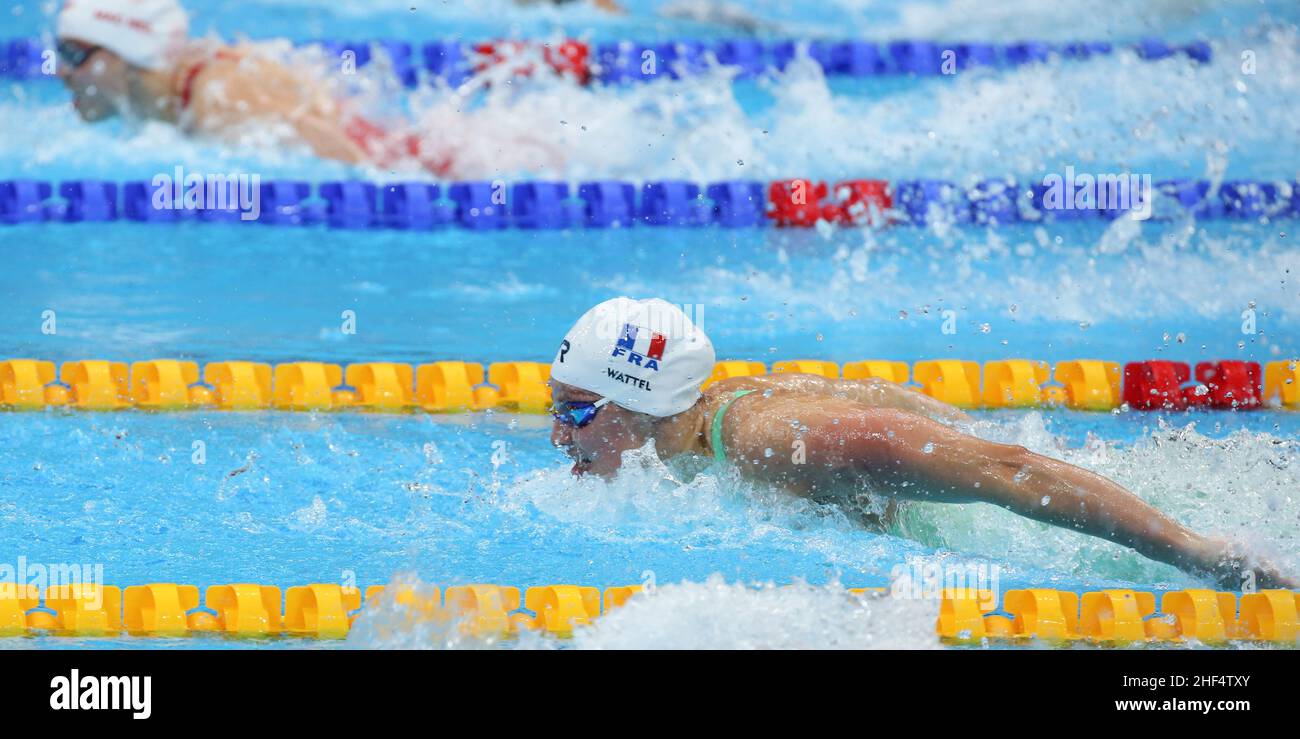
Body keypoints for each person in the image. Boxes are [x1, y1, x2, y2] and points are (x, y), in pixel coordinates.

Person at [548, 297, 1297, 590]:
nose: (558, 436)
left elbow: (1009, 468)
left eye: (576, 412)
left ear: (639, 400)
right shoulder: (712, 415)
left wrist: (1193, 551)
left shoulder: (775, 439)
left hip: (1063, 524)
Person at [54, 0, 457, 173]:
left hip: (432, 166)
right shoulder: (178, 93)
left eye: (73, 55)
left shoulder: (220, 98)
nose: (59, 71)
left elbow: (353, 160)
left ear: (125, 52)